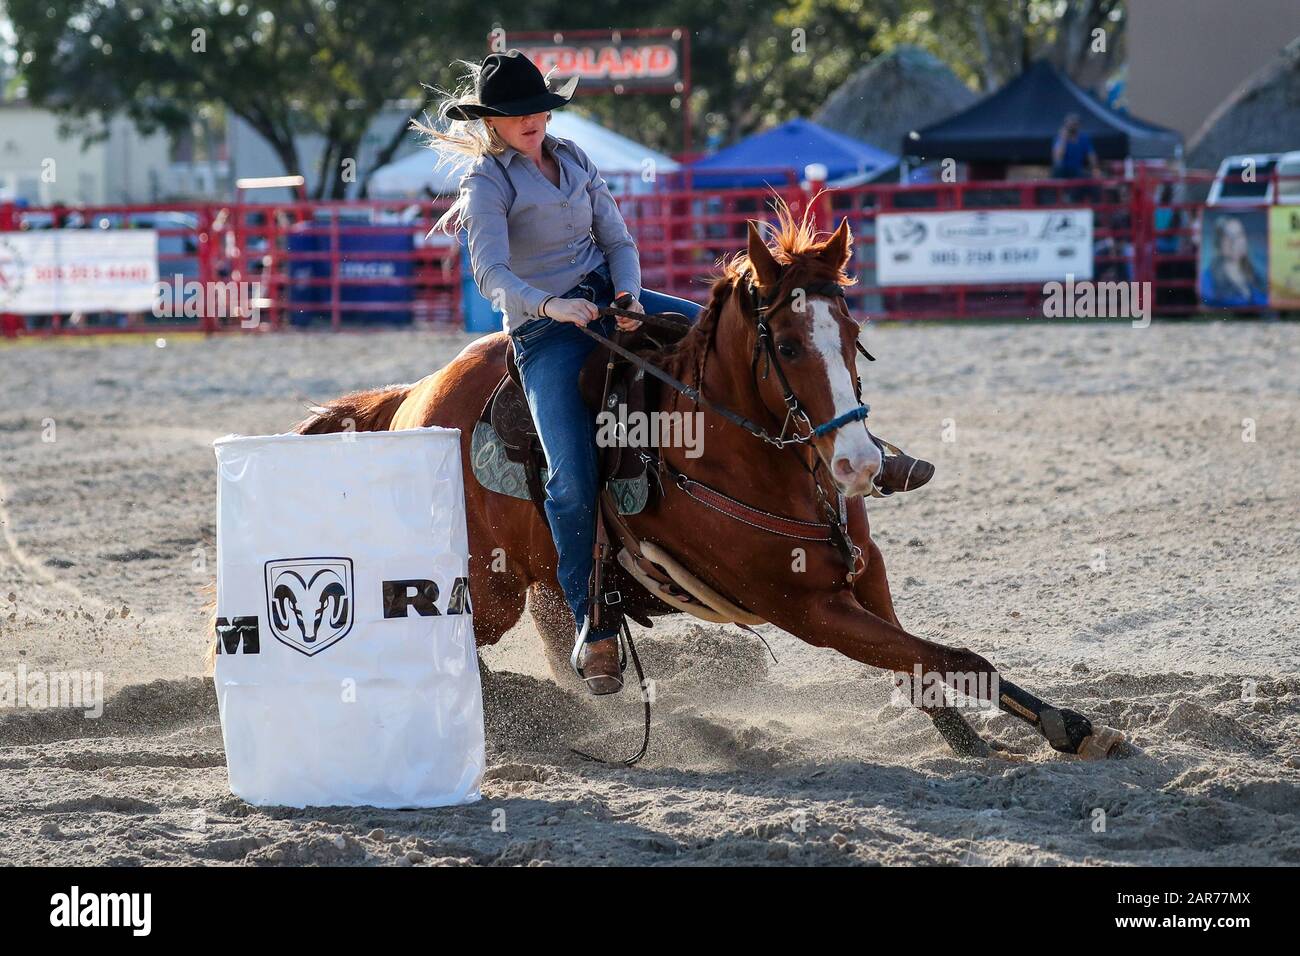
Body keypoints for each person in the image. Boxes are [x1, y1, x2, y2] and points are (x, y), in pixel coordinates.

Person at [422, 50, 932, 695]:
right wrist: (553, 305)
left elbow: (619, 240)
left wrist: (630, 294)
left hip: (612, 296)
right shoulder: (488, 183)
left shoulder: (574, 158)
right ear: (492, 122)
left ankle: (865, 451)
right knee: (571, 477)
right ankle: (592, 623)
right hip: (545, 332)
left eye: (540, 109)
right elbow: (492, 273)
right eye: (517, 113)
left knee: (748, 338)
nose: (533, 120)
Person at [1200, 215, 1267, 308]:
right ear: (1219, 243)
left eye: (1239, 235)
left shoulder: (1255, 275)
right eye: (1229, 237)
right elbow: (1209, 300)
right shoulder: (1208, 277)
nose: (1235, 242)